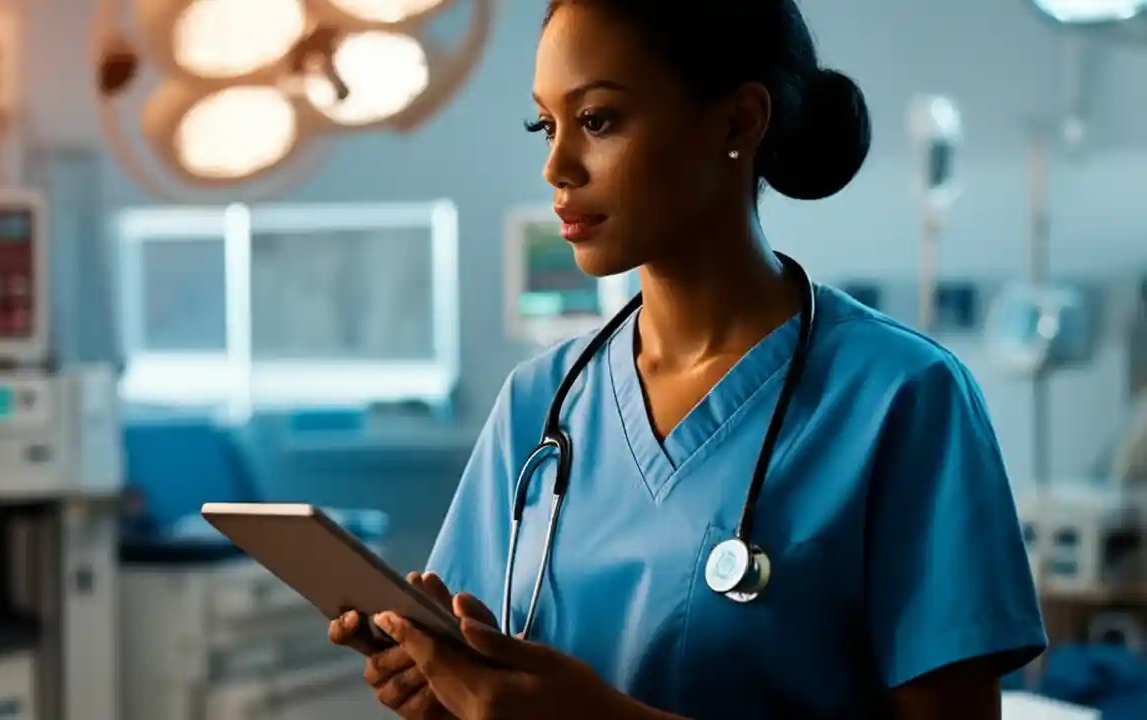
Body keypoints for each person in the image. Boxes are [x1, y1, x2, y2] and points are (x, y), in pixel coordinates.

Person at [330, 0, 1048, 717]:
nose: (557, 166)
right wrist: (451, 693)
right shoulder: (539, 403)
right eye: (545, 126)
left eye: (597, 120)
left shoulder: (903, 397)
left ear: (737, 122)